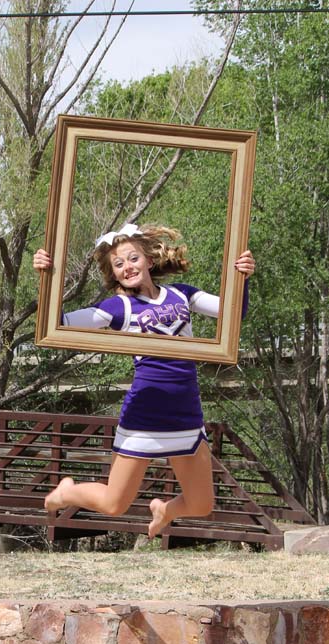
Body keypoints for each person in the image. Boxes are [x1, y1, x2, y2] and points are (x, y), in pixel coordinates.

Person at [33, 222, 255, 539]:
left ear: (149, 260)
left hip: (185, 412)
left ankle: (165, 511)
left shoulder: (182, 294)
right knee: (114, 504)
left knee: (201, 504)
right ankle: (68, 492)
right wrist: (46, 277)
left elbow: (233, 313)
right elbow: (57, 324)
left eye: (133, 258)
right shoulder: (119, 307)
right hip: (144, 415)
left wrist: (242, 277)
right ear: (114, 274)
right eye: (118, 264)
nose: (127, 267)